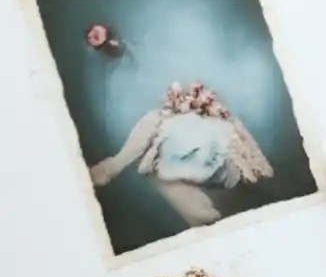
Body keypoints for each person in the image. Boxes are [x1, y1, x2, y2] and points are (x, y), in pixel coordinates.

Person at [88, 82, 273, 227]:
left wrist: (254, 162)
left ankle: (204, 218)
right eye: (198, 93)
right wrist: (176, 106)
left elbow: (263, 168)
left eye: (207, 96)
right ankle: (203, 217)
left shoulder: (226, 125)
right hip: (189, 152)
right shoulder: (188, 120)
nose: (203, 96)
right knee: (157, 128)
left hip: (221, 165)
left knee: (159, 164)